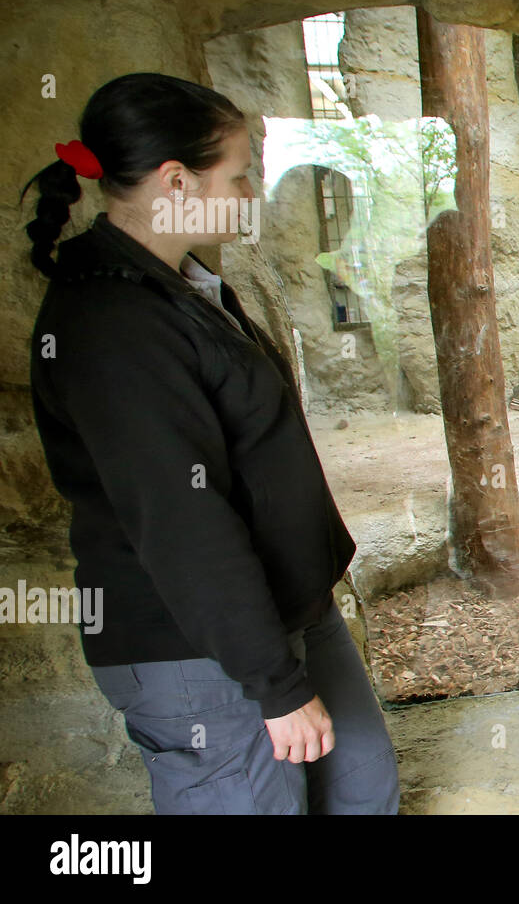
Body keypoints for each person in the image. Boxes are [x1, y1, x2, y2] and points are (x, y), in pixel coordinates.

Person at [21, 72, 400, 814]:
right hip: (195, 646)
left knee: (362, 785)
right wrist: (275, 684)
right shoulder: (112, 323)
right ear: (176, 180)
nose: (252, 191)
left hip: (283, 609)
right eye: (238, 175)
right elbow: (181, 519)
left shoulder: (181, 287)